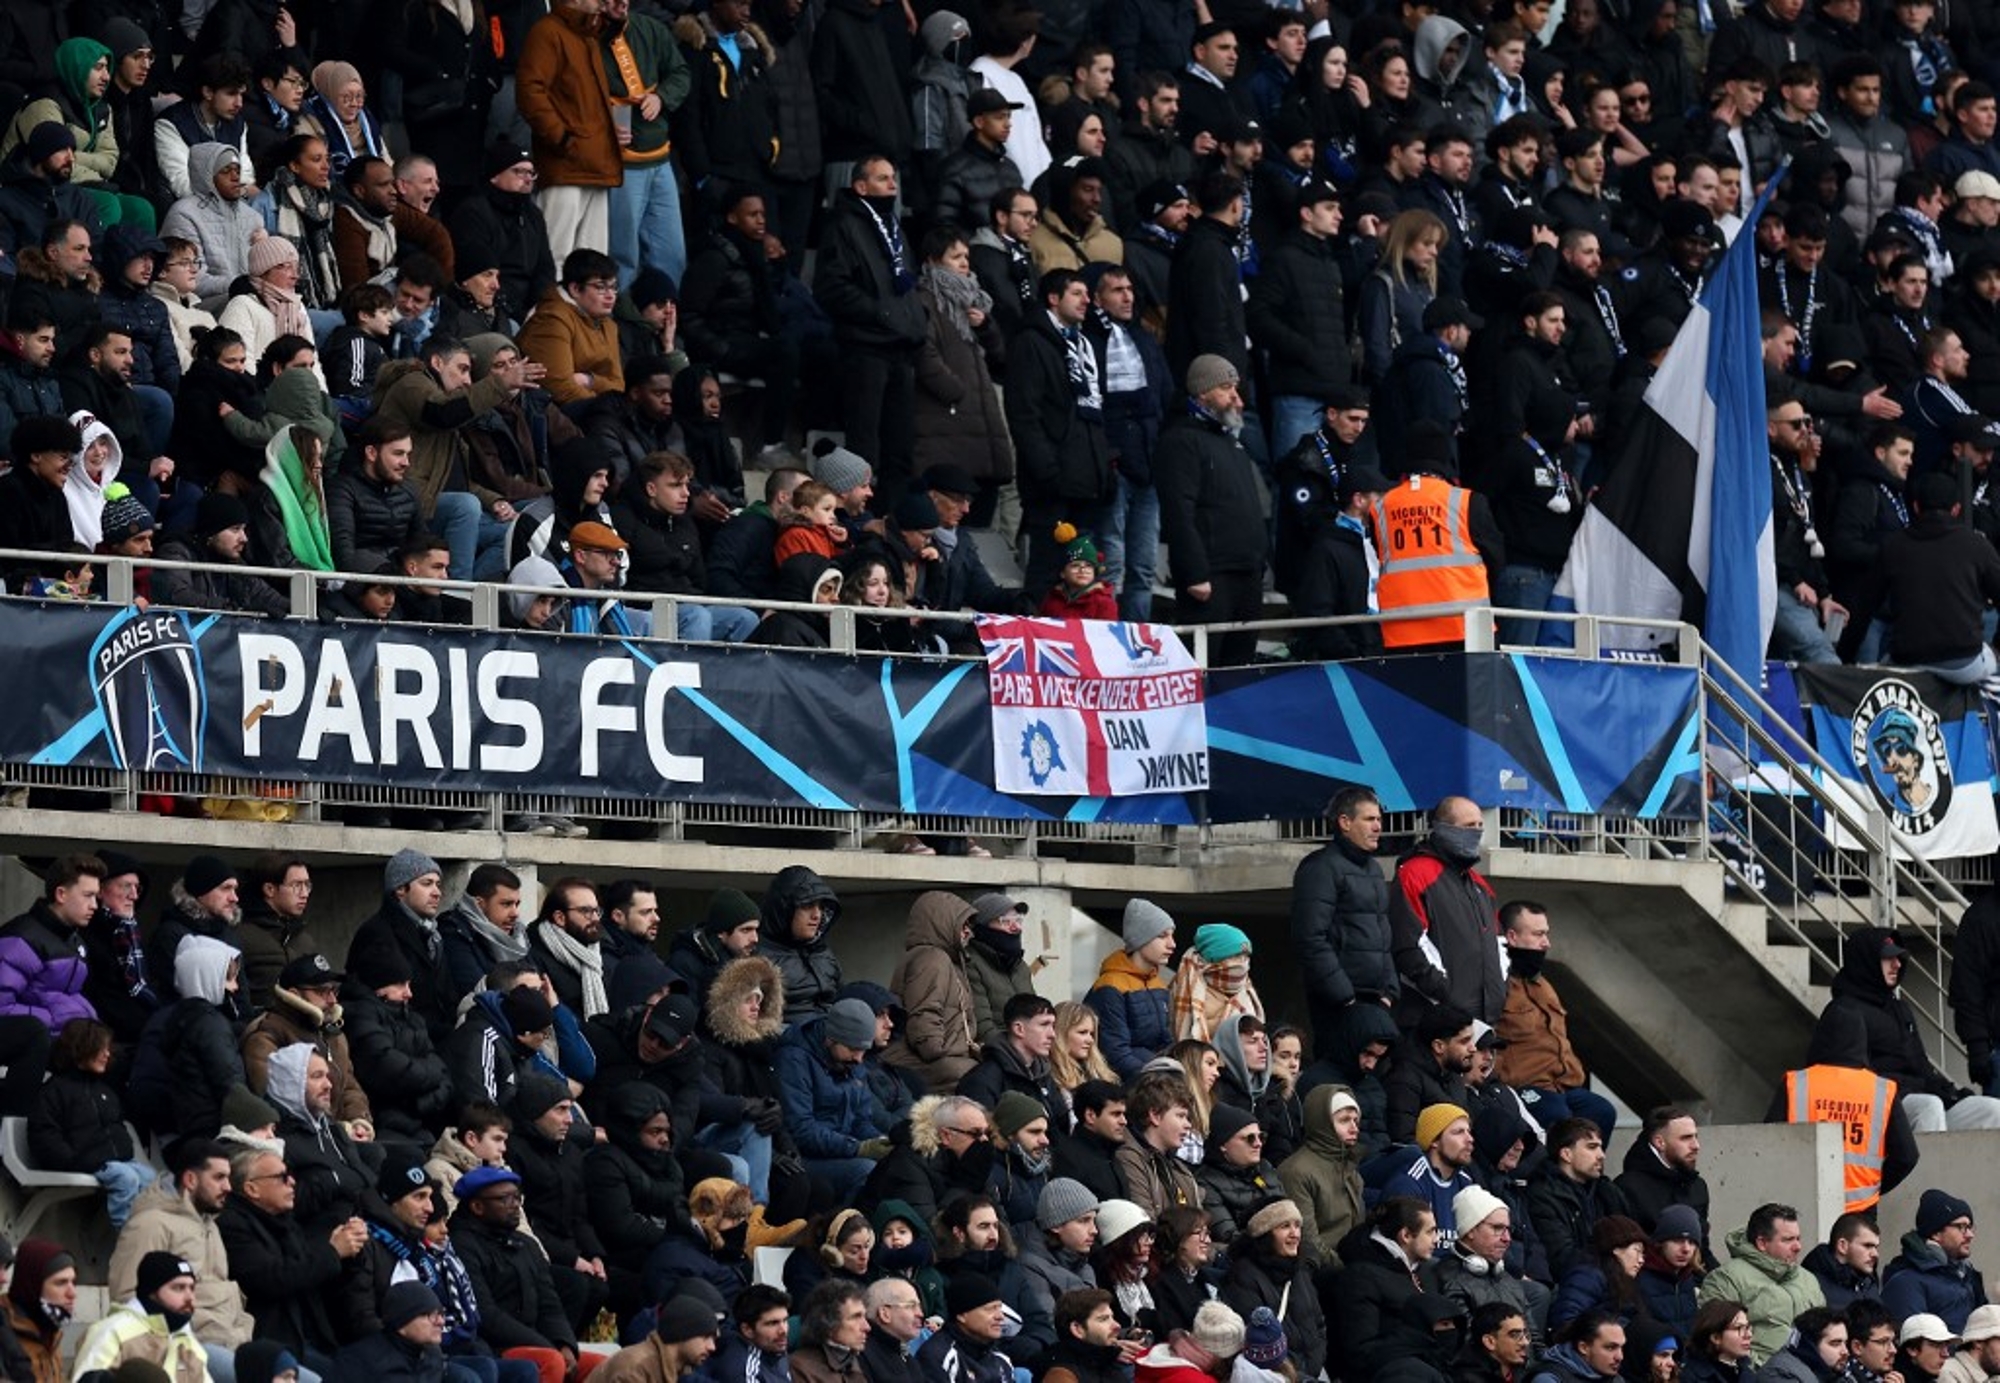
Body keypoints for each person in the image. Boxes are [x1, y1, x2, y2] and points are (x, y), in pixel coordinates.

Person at [1153, 353, 1268, 667]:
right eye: (1226, 388)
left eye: (1236, 389)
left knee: (1240, 672)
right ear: (1202, 392)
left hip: (1247, 574)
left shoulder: (1233, 444)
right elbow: (1179, 511)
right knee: (1203, 669)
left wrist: (1259, 563)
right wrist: (1193, 572)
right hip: (1210, 578)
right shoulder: (1181, 441)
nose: (1237, 399)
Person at [111, 1139, 256, 1383]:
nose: (228, 1187)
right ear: (190, 1180)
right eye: (219, 1177)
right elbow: (126, 1297)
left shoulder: (211, 1226)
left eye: (229, 1178)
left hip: (235, 1341)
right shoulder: (151, 1224)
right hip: (188, 1347)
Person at [217, 1144, 363, 1367]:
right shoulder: (232, 1224)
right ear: (252, 1189)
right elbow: (270, 1279)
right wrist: (333, 1251)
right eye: (282, 1177)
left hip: (314, 1338)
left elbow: (311, 1269)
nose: (293, 1182)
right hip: (278, 1345)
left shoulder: (284, 1220)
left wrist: (350, 1249)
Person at [1496, 903, 1618, 1140]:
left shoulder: (1543, 985)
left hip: (1564, 1085)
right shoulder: (1497, 985)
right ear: (1512, 936)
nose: (1546, 943)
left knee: (1601, 1111)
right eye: (1538, 934)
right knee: (1558, 1119)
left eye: (1546, 934)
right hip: (1525, 1087)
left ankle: (1585, 1164)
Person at [1392, 797, 1504, 1027]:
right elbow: (1408, 946)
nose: (1477, 832)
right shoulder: (1415, 875)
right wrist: (1445, 993)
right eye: (1469, 826)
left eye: (1479, 825)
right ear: (1443, 828)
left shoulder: (1481, 885)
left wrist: (1499, 991)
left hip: (1484, 1018)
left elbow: (1499, 944)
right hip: (1437, 1019)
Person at [1696, 1204, 1822, 1366]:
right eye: (1788, 1240)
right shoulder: (1725, 1279)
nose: (1798, 1247)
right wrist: (1757, 1370)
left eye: (1798, 1238)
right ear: (1762, 1243)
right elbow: (1717, 1341)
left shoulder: (1808, 1279)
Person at [882, 891, 982, 1095]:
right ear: (941, 924)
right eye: (962, 925)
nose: (968, 932)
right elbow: (924, 1012)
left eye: (969, 926)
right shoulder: (932, 959)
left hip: (944, 1056)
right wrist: (935, 1052)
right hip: (926, 1060)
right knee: (979, 1078)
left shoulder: (949, 961)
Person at [1529, 1118, 1634, 1282]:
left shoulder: (1607, 1191)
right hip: (1575, 1283)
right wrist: (1615, 1261)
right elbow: (1562, 1257)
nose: (1601, 1155)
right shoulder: (1542, 1196)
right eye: (1592, 1147)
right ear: (1566, 1154)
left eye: (1600, 1147)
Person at [1087, 901, 1177, 1081]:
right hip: (1129, 1084)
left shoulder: (1158, 985)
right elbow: (1114, 1052)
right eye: (1162, 936)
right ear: (1140, 939)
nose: (1172, 944)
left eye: (1172, 936)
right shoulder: (1110, 986)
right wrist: (1156, 1080)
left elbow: (1166, 1043)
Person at [1883, 1190, 1987, 1334]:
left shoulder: (1968, 1276)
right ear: (1936, 1233)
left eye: (1970, 1227)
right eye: (1961, 1227)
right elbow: (1916, 1342)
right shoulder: (1905, 1281)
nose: (1970, 1235)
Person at [329, 1281, 452, 1383]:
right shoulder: (357, 1362)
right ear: (403, 1320)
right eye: (431, 1315)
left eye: (441, 1314)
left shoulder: (433, 1357)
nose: (441, 1322)